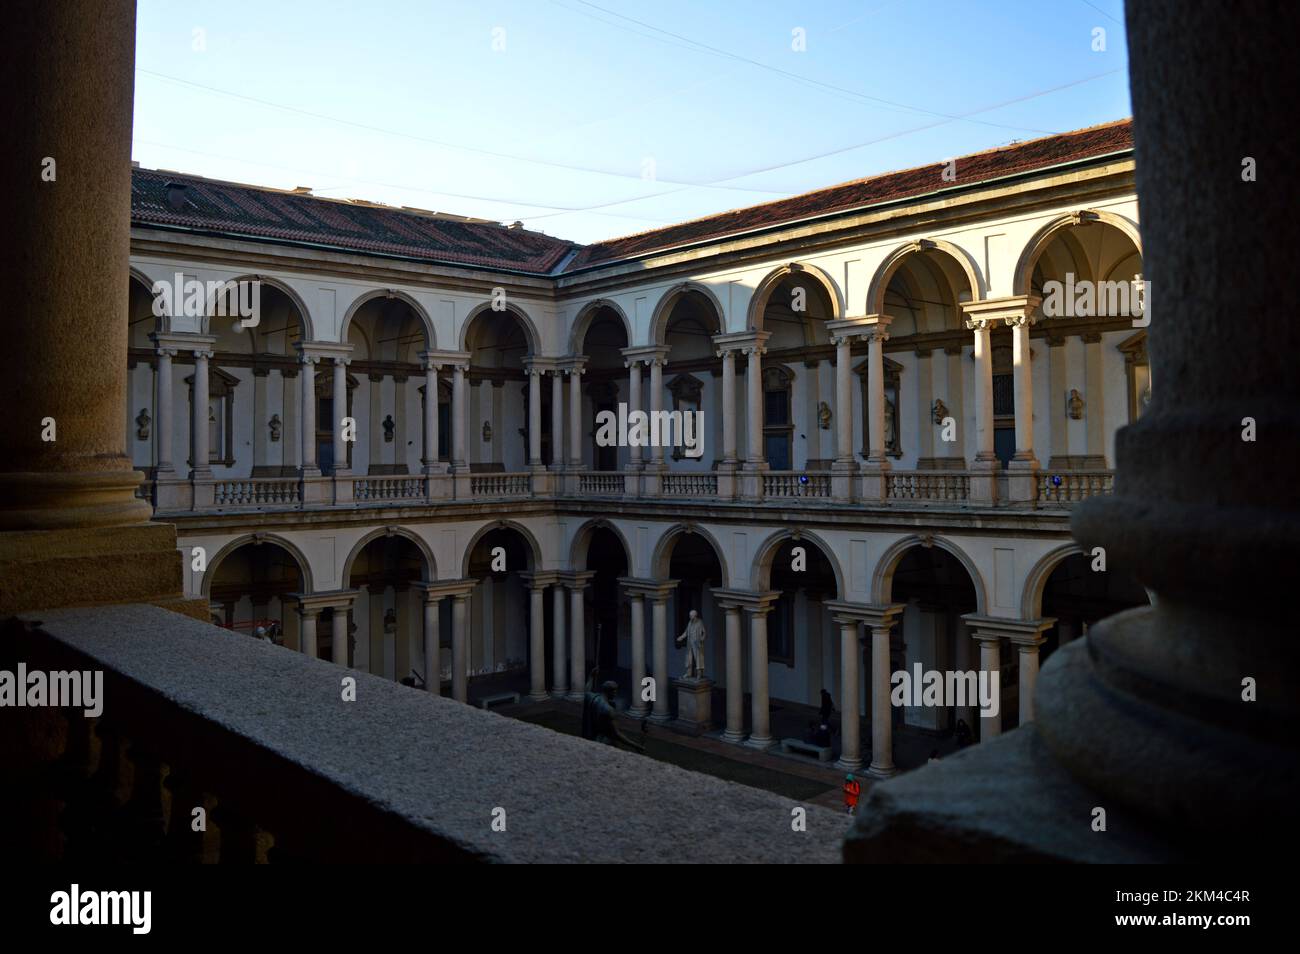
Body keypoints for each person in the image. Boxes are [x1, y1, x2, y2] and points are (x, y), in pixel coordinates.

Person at [581, 668, 645, 753]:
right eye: (615, 691)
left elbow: (586, 691)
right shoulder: (609, 710)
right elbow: (616, 734)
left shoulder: (592, 697)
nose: (616, 693)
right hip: (601, 741)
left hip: (589, 734)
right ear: (612, 692)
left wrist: (591, 676)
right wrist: (635, 745)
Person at [678, 610, 707, 679]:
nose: (690, 617)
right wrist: (681, 637)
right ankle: (688, 673)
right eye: (690, 615)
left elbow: (704, 632)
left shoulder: (700, 622)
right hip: (690, 643)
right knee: (688, 658)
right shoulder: (690, 622)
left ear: (695, 616)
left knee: (698, 658)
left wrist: (702, 638)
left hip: (697, 643)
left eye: (691, 616)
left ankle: (699, 673)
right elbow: (686, 632)